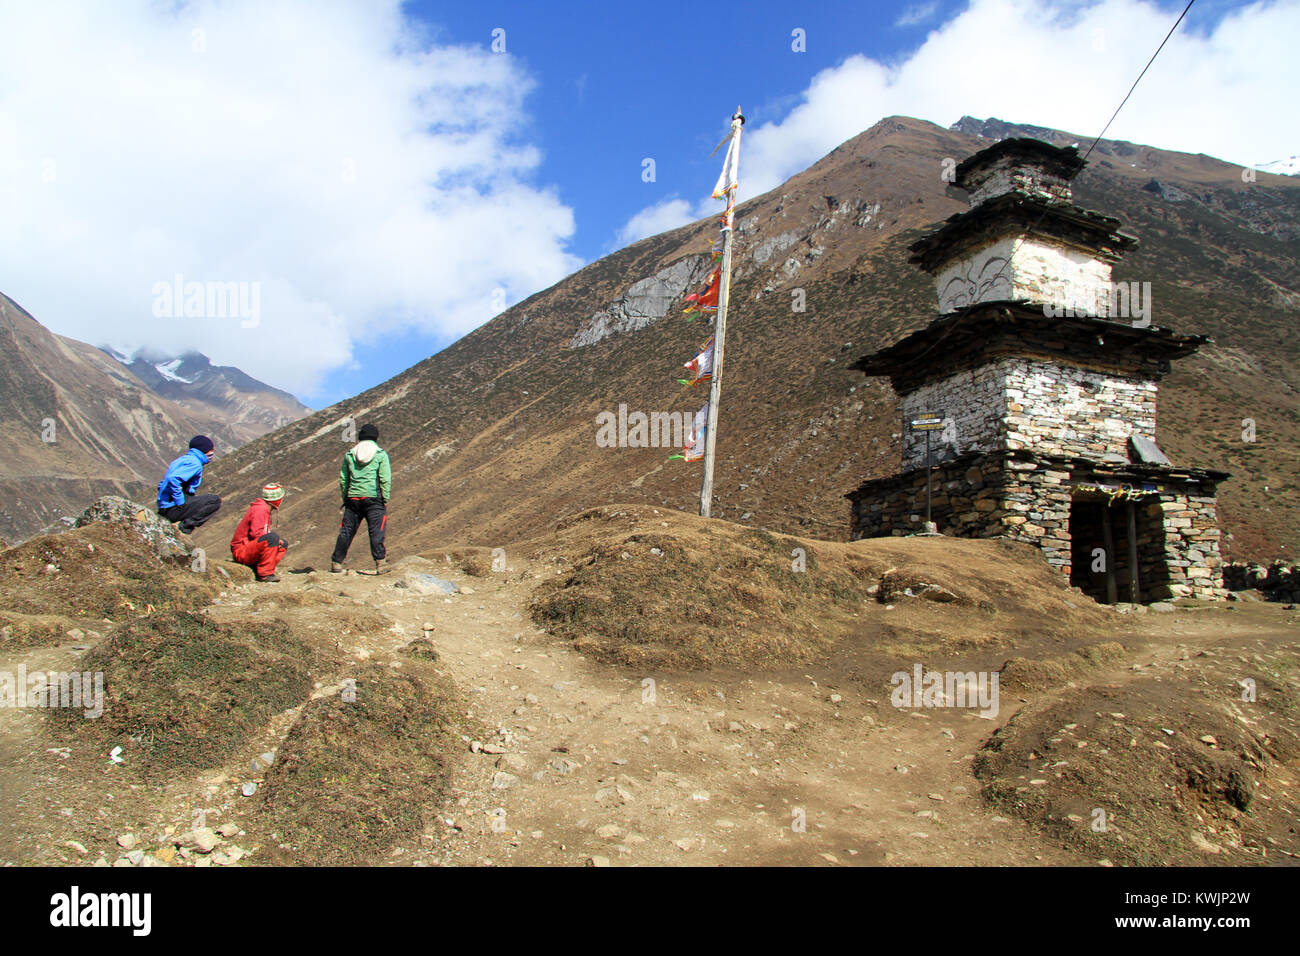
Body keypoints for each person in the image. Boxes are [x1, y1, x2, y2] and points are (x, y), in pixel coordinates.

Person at [331, 423, 391, 574]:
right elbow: (385, 478)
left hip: (353, 498)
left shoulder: (350, 454)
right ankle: (380, 563)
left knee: (347, 531)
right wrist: (385, 497)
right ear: (375, 438)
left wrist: (346, 497)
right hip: (373, 498)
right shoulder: (380, 454)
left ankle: (337, 562)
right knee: (376, 531)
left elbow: (343, 479)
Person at [157, 435, 222, 534]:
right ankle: (183, 528)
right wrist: (180, 502)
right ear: (203, 450)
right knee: (214, 501)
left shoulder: (183, 460)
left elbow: (164, 482)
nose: (212, 453)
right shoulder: (195, 463)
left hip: (164, 507)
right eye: (211, 450)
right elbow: (173, 479)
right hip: (172, 508)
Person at [230, 483, 289, 583]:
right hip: (241, 550)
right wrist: (274, 540)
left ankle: (259, 568)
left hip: (247, 548)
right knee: (272, 538)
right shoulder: (261, 510)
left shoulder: (263, 508)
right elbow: (256, 534)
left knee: (282, 543)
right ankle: (265, 574)